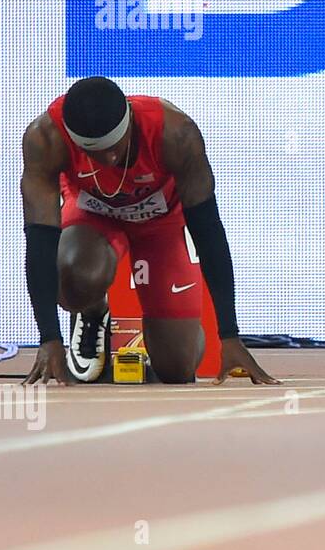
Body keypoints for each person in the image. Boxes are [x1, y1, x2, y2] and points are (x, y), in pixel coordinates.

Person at [21, 76, 278, 385]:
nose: (110, 159)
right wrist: (49, 338)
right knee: (72, 273)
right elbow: (39, 241)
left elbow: (208, 231)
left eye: (115, 148)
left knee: (177, 368)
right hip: (92, 214)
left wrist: (230, 334)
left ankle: (169, 326)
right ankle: (92, 312)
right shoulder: (45, 138)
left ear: (129, 122)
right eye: (96, 153)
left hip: (161, 222)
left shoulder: (176, 134)